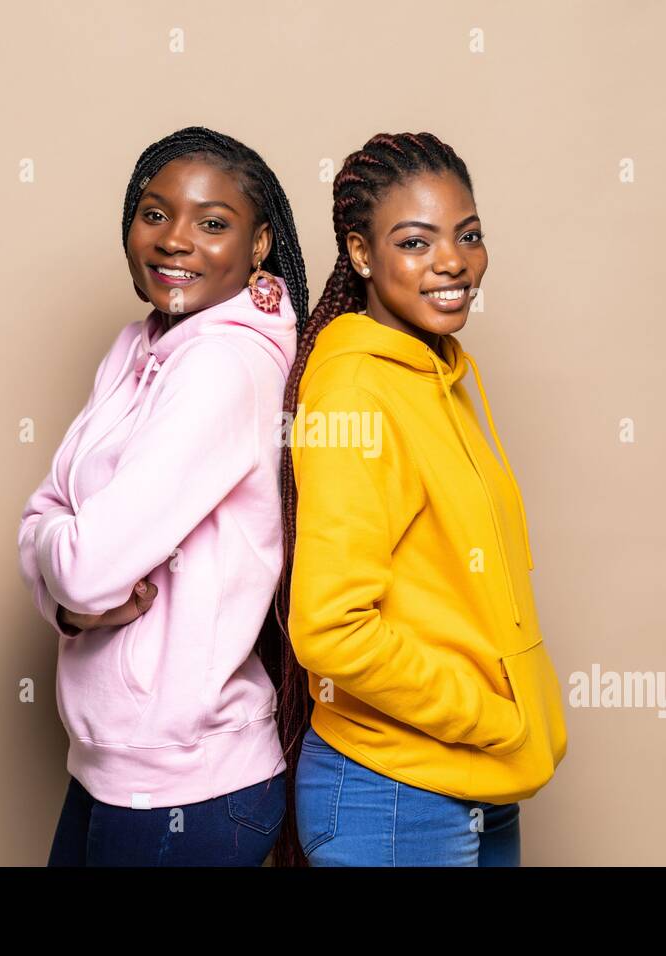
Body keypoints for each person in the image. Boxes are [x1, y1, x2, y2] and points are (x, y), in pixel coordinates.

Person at [271, 131, 568, 867]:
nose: (453, 262)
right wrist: (488, 716)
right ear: (362, 254)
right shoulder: (356, 390)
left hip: (479, 783)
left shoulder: (438, 374)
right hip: (393, 796)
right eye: (416, 240)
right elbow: (330, 632)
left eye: (469, 235)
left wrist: (503, 732)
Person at [17, 127, 308, 866]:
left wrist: (69, 574)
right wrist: (70, 595)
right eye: (156, 214)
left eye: (213, 223)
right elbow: (46, 520)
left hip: (188, 789)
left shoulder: (223, 366)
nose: (176, 240)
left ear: (261, 242)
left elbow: (77, 560)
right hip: (111, 768)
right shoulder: (137, 345)